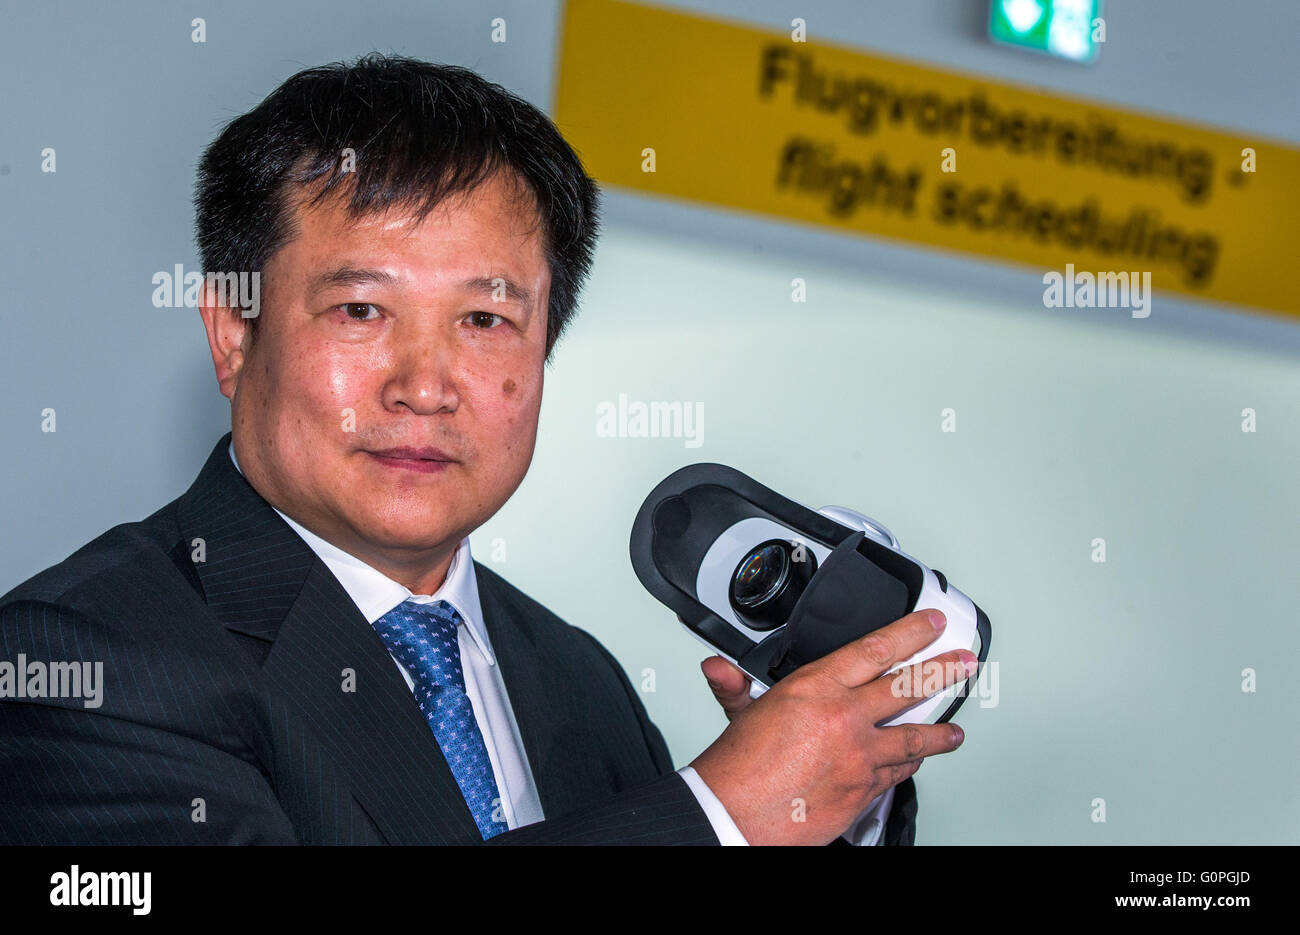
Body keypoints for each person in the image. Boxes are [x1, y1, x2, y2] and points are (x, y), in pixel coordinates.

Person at [0, 54, 971, 845]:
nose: (424, 383)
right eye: (361, 309)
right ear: (232, 335)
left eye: (484, 319)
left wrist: (840, 785)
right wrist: (715, 814)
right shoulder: (83, 656)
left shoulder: (577, 675)